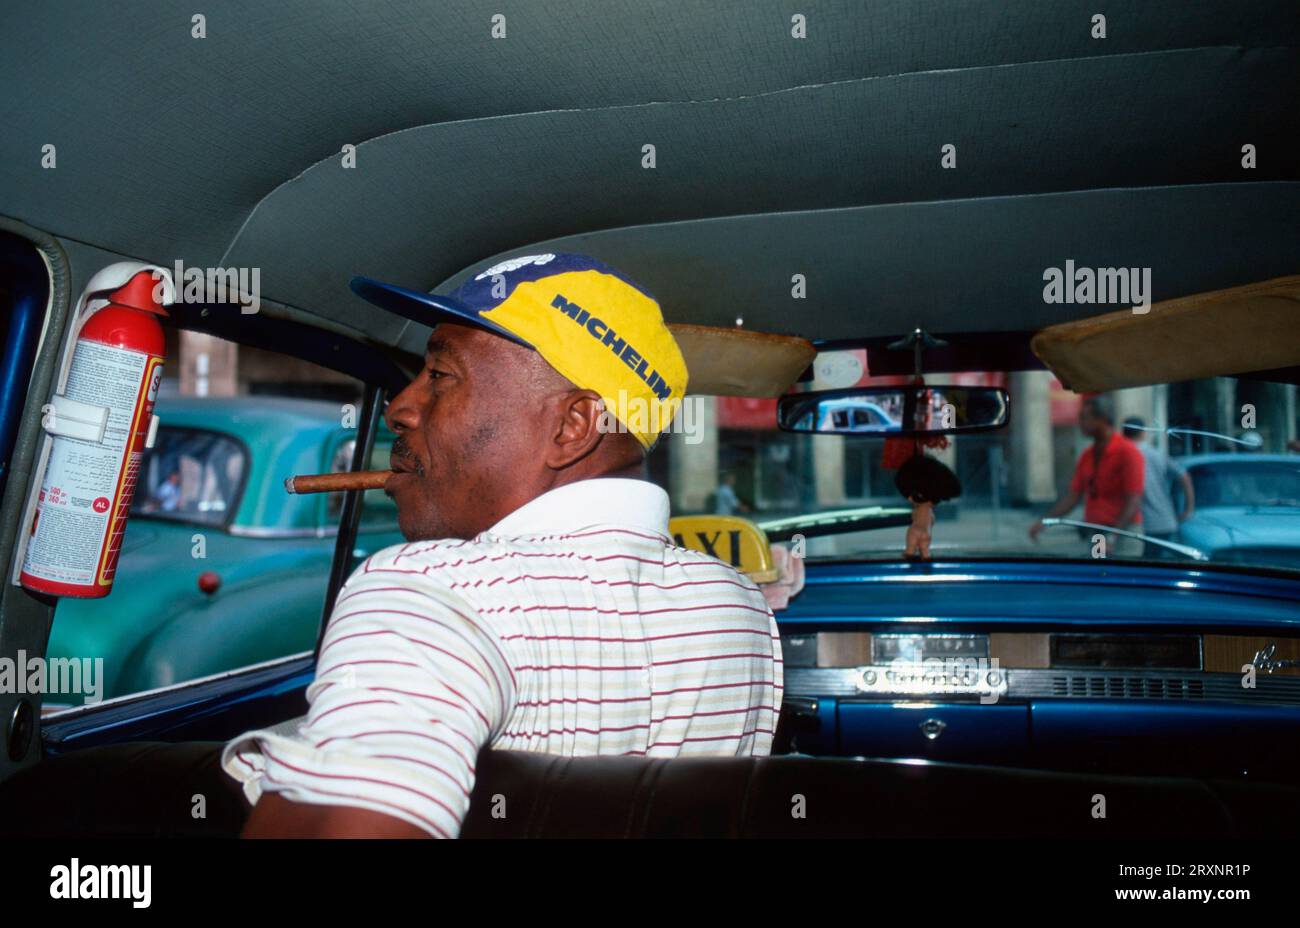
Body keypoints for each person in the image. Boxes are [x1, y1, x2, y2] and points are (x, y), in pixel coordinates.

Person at [225, 253, 783, 838]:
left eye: (439, 377)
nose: (400, 407)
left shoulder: (430, 589)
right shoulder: (739, 606)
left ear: (573, 427)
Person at [1028, 394, 1144, 557]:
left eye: (1084, 418)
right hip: (1097, 530)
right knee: (1099, 578)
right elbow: (1073, 496)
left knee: (1121, 579)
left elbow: (1133, 499)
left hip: (1124, 532)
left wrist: (1113, 535)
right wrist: (1045, 521)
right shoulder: (1087, 455)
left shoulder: (1127, 452)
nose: (1080, 424)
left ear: (1102, 419)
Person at [1121, 416, 1195, 558]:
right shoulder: (1156, 454)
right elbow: (1185, 477)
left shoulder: (1123, 454)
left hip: (1138, 524)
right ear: (1143, 433)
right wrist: (1188, 508)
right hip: (1163, 520)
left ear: (1123, 432)